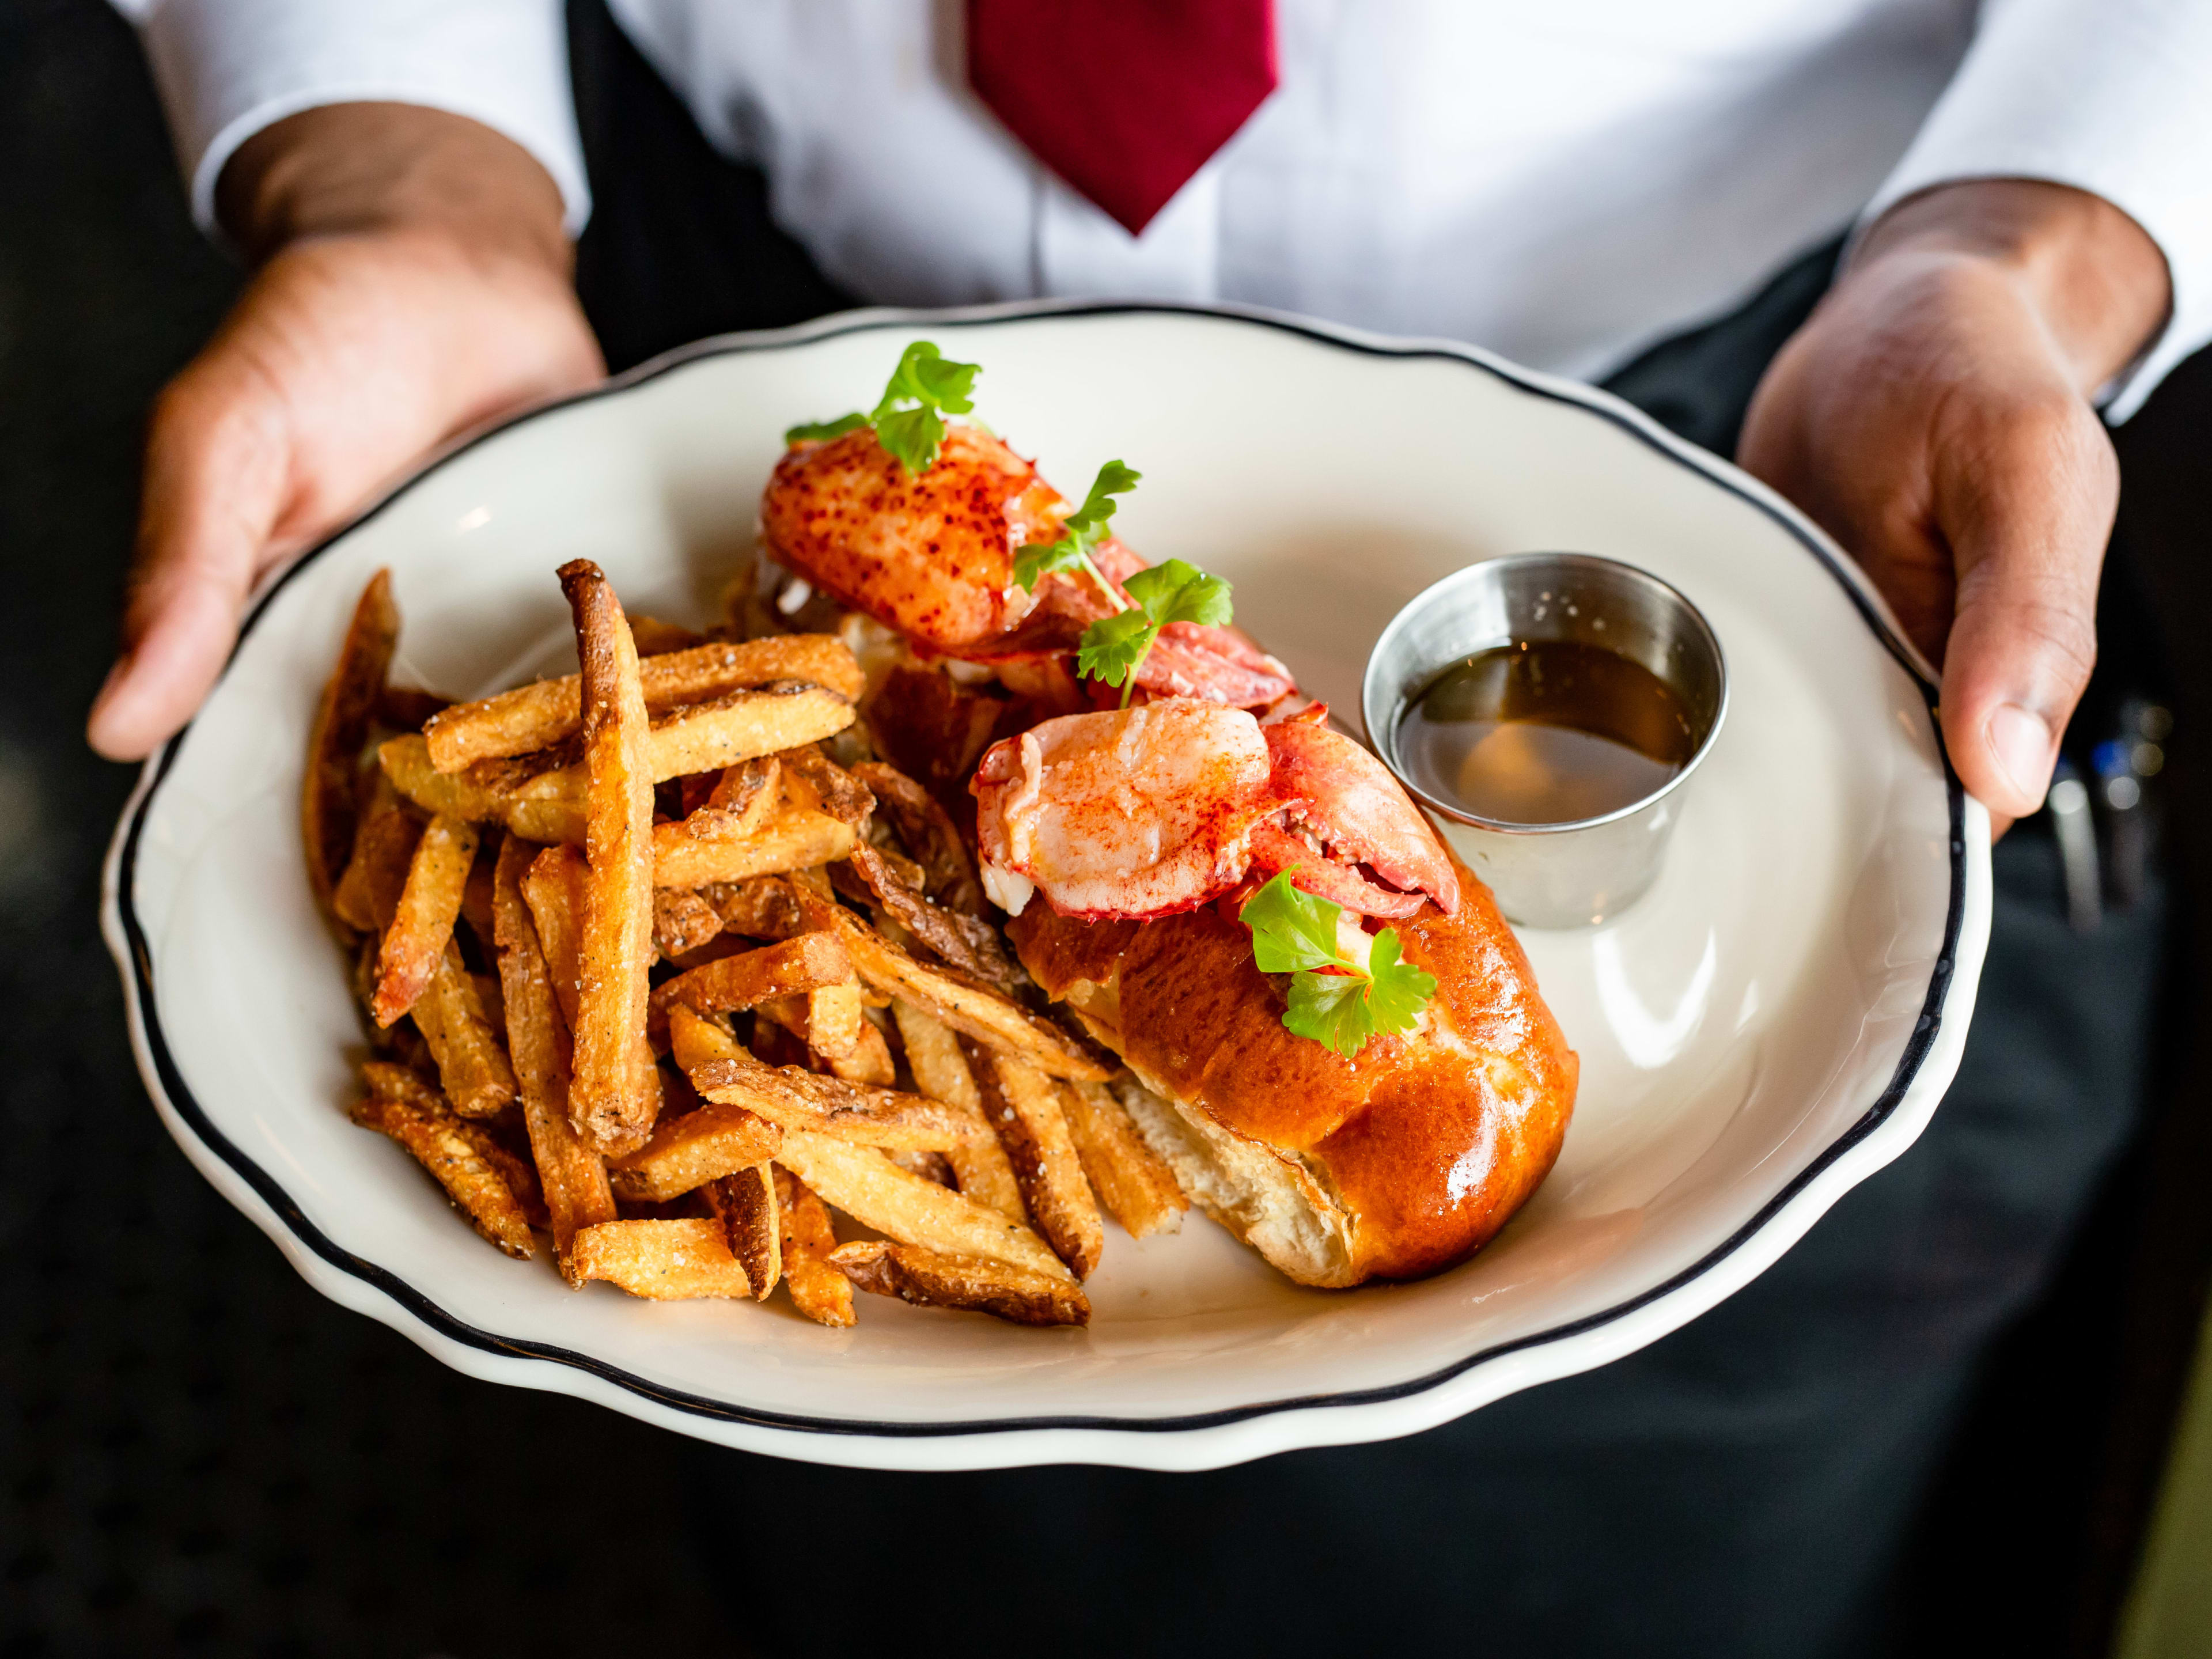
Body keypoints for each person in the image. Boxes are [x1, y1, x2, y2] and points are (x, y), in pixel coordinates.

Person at [92, 3, 2208, 1652]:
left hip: (1789, 404)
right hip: (643, 292)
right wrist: (398, 161)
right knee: (863, 1543)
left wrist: (2028, 244)